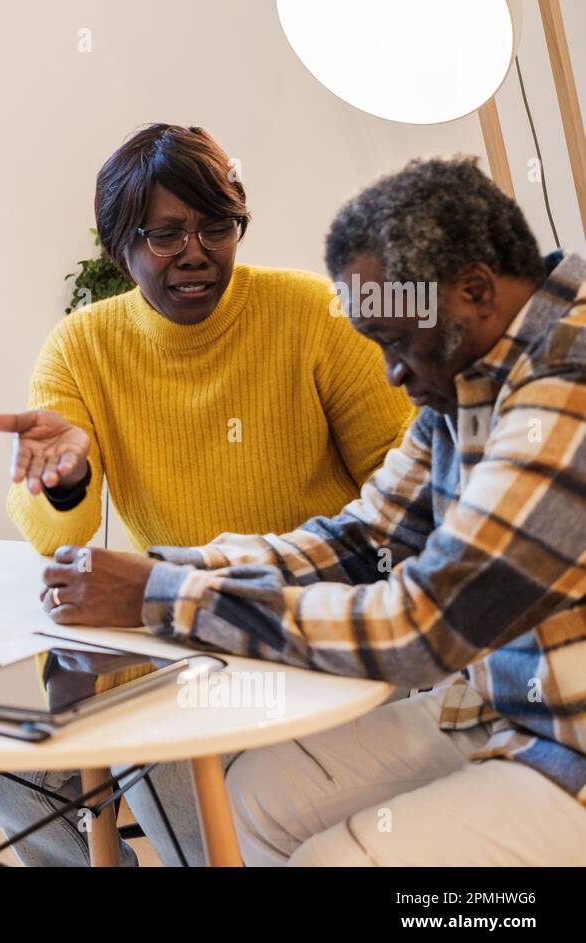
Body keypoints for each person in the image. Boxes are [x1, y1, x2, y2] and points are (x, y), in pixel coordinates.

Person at [33, 156, 586, 864]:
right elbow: (364, 539)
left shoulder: (563, 386)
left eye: (396, 342)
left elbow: (420, 629)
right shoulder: (465, 367)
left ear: (476, 290)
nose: (390, 372)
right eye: (165, 235)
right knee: (252, 805)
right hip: (496, 708)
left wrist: (164, 595)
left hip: (565, 743)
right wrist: (163, 574)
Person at [0, 123, 414, 865]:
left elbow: (405, 497)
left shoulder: (312, 315)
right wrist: (67, 479)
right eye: (166, 235)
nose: (196, 251)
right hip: (165, 636)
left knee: (205, 831)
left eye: (216, 227)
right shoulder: (84, 345)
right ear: (121, 247)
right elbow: (49, 527)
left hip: (298, 628)